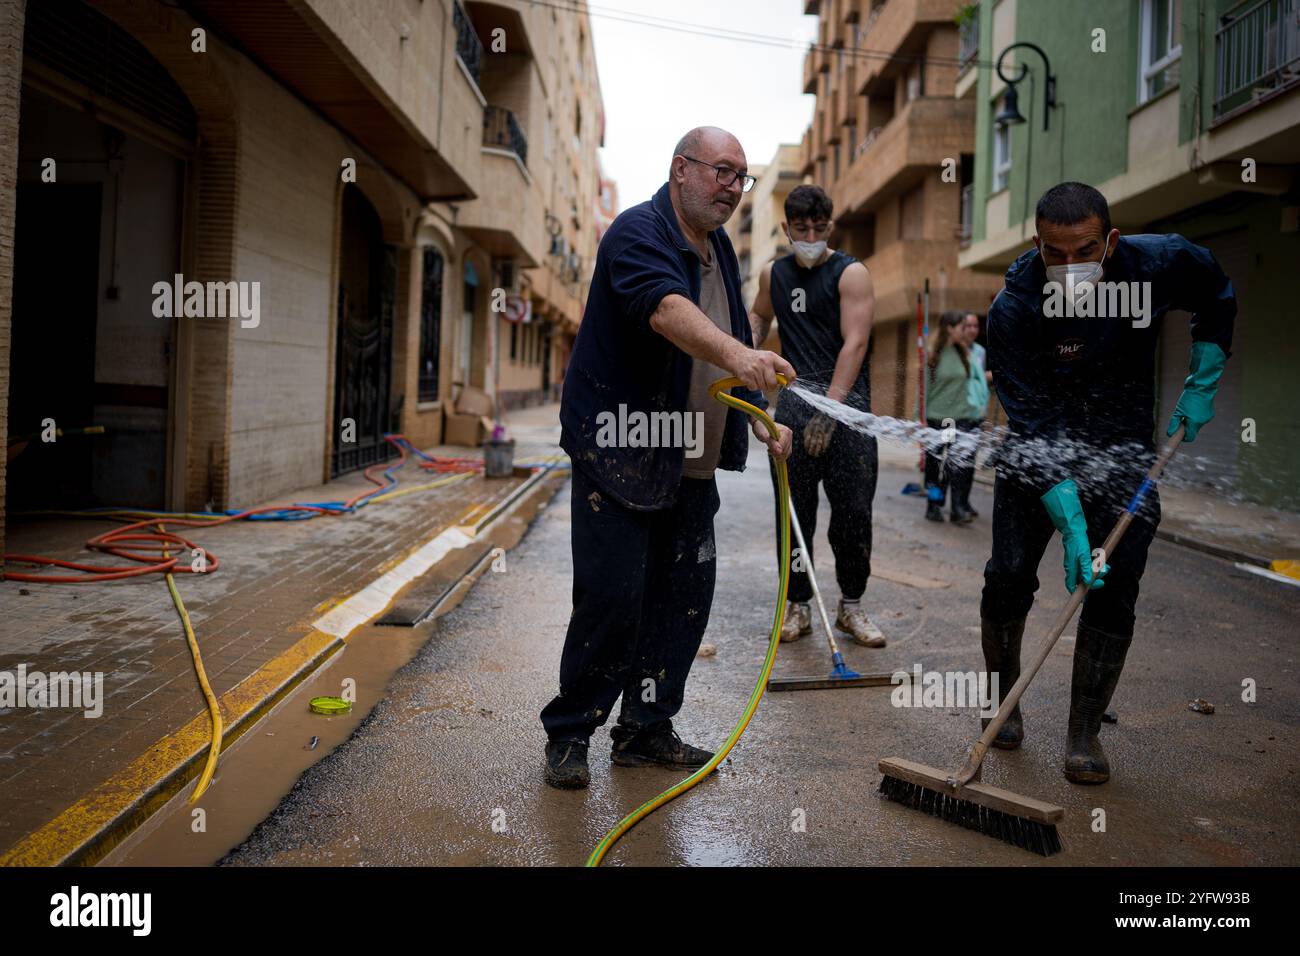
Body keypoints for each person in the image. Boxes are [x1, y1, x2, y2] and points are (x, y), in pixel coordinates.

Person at [541, 127, 795, 790]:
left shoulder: (721, 253)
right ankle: (570, 732)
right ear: (680, 169)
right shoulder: (637, 232)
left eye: (742, 177)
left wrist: (759, 412)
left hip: (691, 461)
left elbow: (730, 334)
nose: (733, 187)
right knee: (614, 597)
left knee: (683, 597)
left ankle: (646, 730)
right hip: (623, 447)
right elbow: (665, 310)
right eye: (721, 171)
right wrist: (739, 357)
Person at [982, 181, 1234, 784]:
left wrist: (1205, 372)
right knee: (1009, 576)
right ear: (1037, 245)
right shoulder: (1015, 305)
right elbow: (1031, 419)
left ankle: (1084, 731)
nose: (1069, 266)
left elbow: (1215, 292)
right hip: (1035, 459)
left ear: (1111, 240)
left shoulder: (1157, 262)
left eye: (1084, 250)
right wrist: (1068, 520)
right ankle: (1003, 701)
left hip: (1123, 458)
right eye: (1054, 253)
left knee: (1113, 591)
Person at [748, 185, 883, 647]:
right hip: (792, 413)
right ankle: (798, 607)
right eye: (800, 228)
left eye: (818, 228)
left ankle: (852, 608)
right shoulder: (774, 275)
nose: (809, 235)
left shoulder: (852, 274)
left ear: (830, 227)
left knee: (852, 516)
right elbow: (758, 316)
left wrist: (831, 410)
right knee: (793, 516)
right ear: (786, 228)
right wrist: (748, 353)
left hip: (847, 416)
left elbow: (856, 343)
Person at [922, 311, 983, 524]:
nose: (965, 331)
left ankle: (957, 508)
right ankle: (933, 506)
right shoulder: (933, 354)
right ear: (950, 328)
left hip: (961, 418)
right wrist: (917, 419)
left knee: (954, 465)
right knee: (935, 466)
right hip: (939, 419)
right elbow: (924, 390)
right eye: (961, 327)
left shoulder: (964, 352)